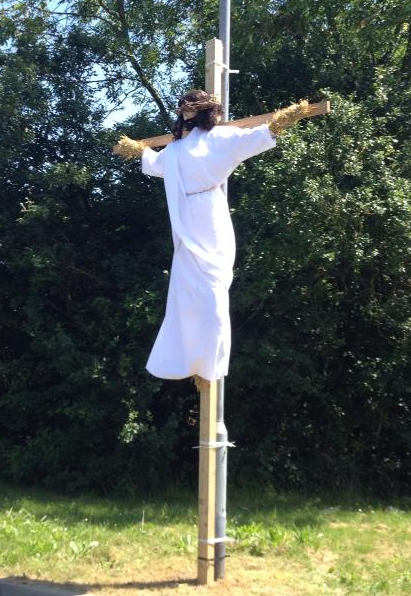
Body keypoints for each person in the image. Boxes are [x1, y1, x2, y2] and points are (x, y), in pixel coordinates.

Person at [114, 90, 311, 382]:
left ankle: (208, 362)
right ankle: (185, 359)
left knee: (211, 288)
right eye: (182, 107)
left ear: (203, 110)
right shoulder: (177, 148)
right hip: (185, 218)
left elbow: (253, 137)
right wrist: (136, 150)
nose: (184, 111)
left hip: (210, 215)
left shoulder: (219, 138)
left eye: (190, 106)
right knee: (185, 290)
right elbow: (158, 164)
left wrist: (282, 120)